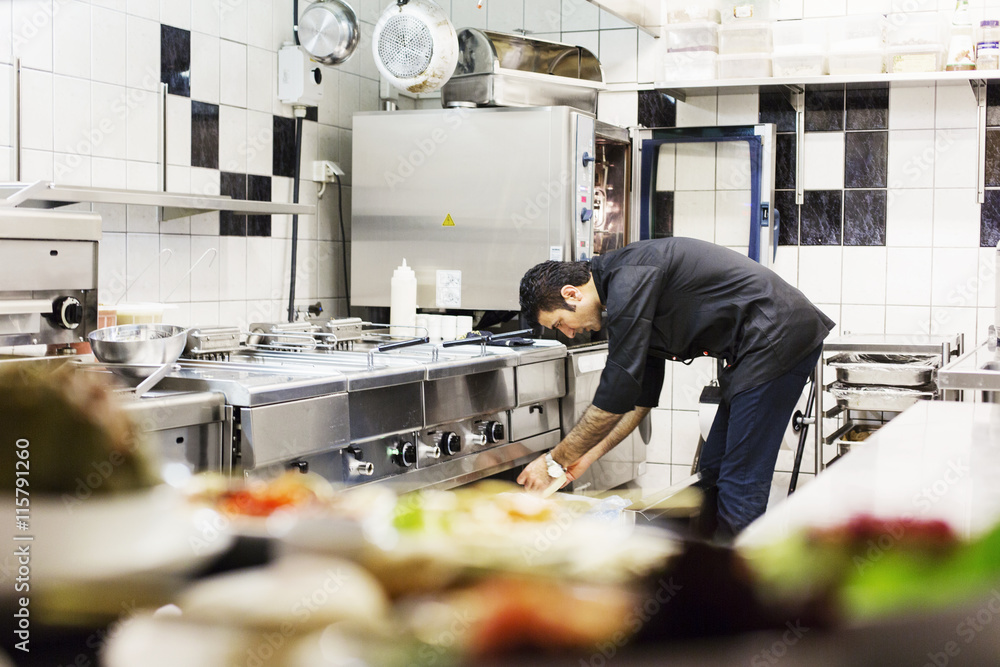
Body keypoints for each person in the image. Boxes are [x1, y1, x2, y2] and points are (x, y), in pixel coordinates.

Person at [516, 237, 834, 539]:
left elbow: (616, 392)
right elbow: (638, 401)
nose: (569, 334)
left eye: (559, 323)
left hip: (776, 337)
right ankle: (704, 570)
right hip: (752, 351)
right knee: (712, 472)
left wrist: (552, 462)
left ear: (572, 294)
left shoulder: (629, 278)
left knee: (741, 481)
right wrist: (584, 458)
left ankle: (735, 586)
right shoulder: (622, 298)